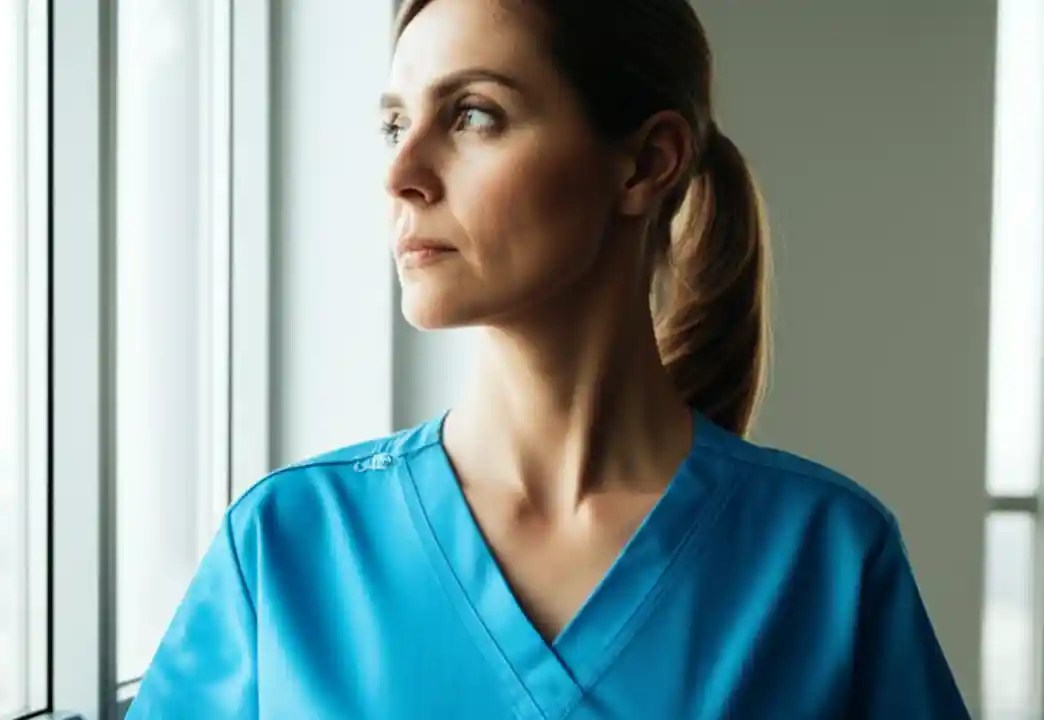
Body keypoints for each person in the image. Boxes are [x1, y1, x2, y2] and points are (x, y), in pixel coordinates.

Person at [127, 0, 970, 717]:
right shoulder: (288, 544)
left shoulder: (825, 559)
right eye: (393, 125)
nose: (402, 173)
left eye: (472, 116)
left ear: (646, 163)